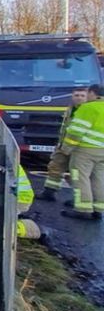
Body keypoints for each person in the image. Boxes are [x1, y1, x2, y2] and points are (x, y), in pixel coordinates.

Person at [60, 84, 104, 220]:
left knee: (80, 178)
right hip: (102, 150)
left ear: (92, 93)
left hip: (85, 150)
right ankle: (98, 208)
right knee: (98, 179)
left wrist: (66, 148)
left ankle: (83, 209)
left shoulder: (87, 108)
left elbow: (76, 132)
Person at [41, 87, 89, 200]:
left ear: (87, 97)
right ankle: (49, 192)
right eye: (76, 95)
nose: (79, 98)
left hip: (79, 148)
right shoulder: (70, 109)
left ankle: (77, 199)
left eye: (82, 96)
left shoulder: (88, 111)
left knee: (77, 174)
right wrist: (61, 144)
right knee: (55, 167)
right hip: (64, 145)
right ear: (72, 96)